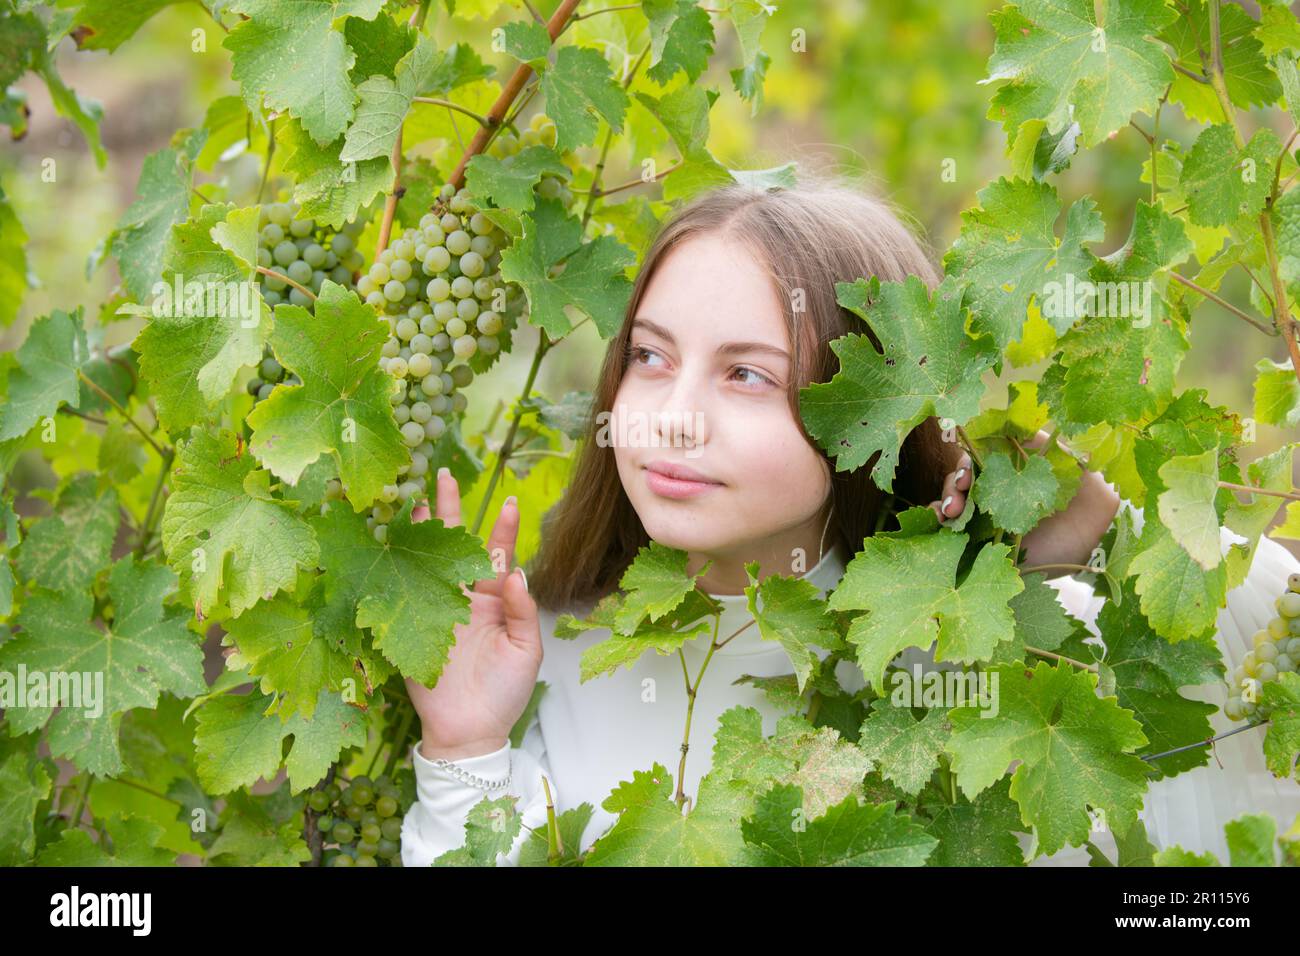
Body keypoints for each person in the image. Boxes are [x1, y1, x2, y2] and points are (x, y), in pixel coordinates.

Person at [399, 175, 1300, 867]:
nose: (669, 416)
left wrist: (1115, 535)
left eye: (746, 374)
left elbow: (1267, 650)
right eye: (648, 355)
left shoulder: (999, 649)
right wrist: (464, 745)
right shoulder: (543, 650)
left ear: (874, 413)